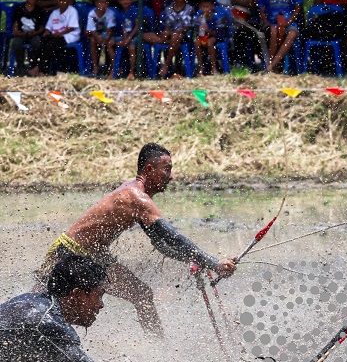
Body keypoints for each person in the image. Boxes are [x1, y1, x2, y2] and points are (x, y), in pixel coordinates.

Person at [36, 144, 237, 337]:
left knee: (142, 295)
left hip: (96, 256)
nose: (171, 176)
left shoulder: (137, 196)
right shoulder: (136, 198)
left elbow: (161, 244)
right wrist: (213, 263)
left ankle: (159, 352)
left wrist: (197, 261)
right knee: (44, 308)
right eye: (167, 170)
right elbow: (172, 237)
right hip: (69, 253)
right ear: (149, 169)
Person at [1, 255, 203, 362]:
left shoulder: (31, 303)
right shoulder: (48, 325)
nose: (101, 305)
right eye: (98, 295)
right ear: (77, 295)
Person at [258, 0, 304, 72]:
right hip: (272, 22)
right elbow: (262, 11)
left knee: (292, 34)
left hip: (289, 21)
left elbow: (298, 8)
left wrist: (288, 21)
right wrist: (267, 23)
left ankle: (271, 66)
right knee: (273, 31)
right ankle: (273, 66)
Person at [156, 0, 196, 78]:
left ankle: (166, 65)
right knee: (152, 36)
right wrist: (166, 33)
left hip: (184, 35)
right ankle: (169, 43)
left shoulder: (190, 9)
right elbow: (166, 25)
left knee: (176, 36)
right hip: (171, 36)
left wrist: (174, 33)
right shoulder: (168, 9)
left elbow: (188, 27)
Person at [110, 0, 150, 79]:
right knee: (110, 43)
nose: (125, 1)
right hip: (127, 36)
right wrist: (125, 39)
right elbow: (124, 27)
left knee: (131, 47)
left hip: (136, 35)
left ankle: (131, 72)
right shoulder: (121, 13)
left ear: (132, 0)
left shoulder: (134, 10)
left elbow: (137, 26)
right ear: (119, 1)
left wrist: (128, 39)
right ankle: (115, 68)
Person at [41, 0, 81, 75]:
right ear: (57, 1)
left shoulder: (72, 11)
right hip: (56, 35)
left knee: (52, 44)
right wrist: (46, 32)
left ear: (68, 1)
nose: (62, 2)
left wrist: (59, 34)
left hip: (70, 36)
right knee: (43, 41)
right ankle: (43, 68)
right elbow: (48, 27)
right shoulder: (55, 12)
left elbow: (71, 28)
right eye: (60, 0)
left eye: (64, 0)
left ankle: (41, 69)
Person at [10, 0, 47, 78]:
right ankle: (20, 68)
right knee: (16, 43)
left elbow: (42, 28)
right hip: (21, 34)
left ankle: (33, 67)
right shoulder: (19, 8)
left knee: (37, 43)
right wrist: (18, 32)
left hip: (35, 34)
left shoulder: (39, 10)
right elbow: (15, 25)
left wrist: (34, 33)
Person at [194, 0, 229, 74]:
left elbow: (219, 33)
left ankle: (214, 68)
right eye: (203, 7)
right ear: (200, 7)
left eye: (207, 7)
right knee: (197, 42)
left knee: (210, 42)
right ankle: (201, 67)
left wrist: (208, 30)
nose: (205, 9)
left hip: (218, 37)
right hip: (205, 37)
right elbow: (197, 33)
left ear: (212, 6)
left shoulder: (218, 17)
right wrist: (200, 28)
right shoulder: (199, 17)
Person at [85, 0, 118, 77]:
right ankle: (95, 67)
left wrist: (105, 38)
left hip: (109, 35)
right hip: (96, 34)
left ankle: (113, 68)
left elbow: (110, 29)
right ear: (96, 3)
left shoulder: (111, 13)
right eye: (100, 2)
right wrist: (98, 38)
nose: (103, 4)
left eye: (105, 2)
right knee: (92, 41)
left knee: (110, 43)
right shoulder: (92, 14)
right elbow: (91, 29)